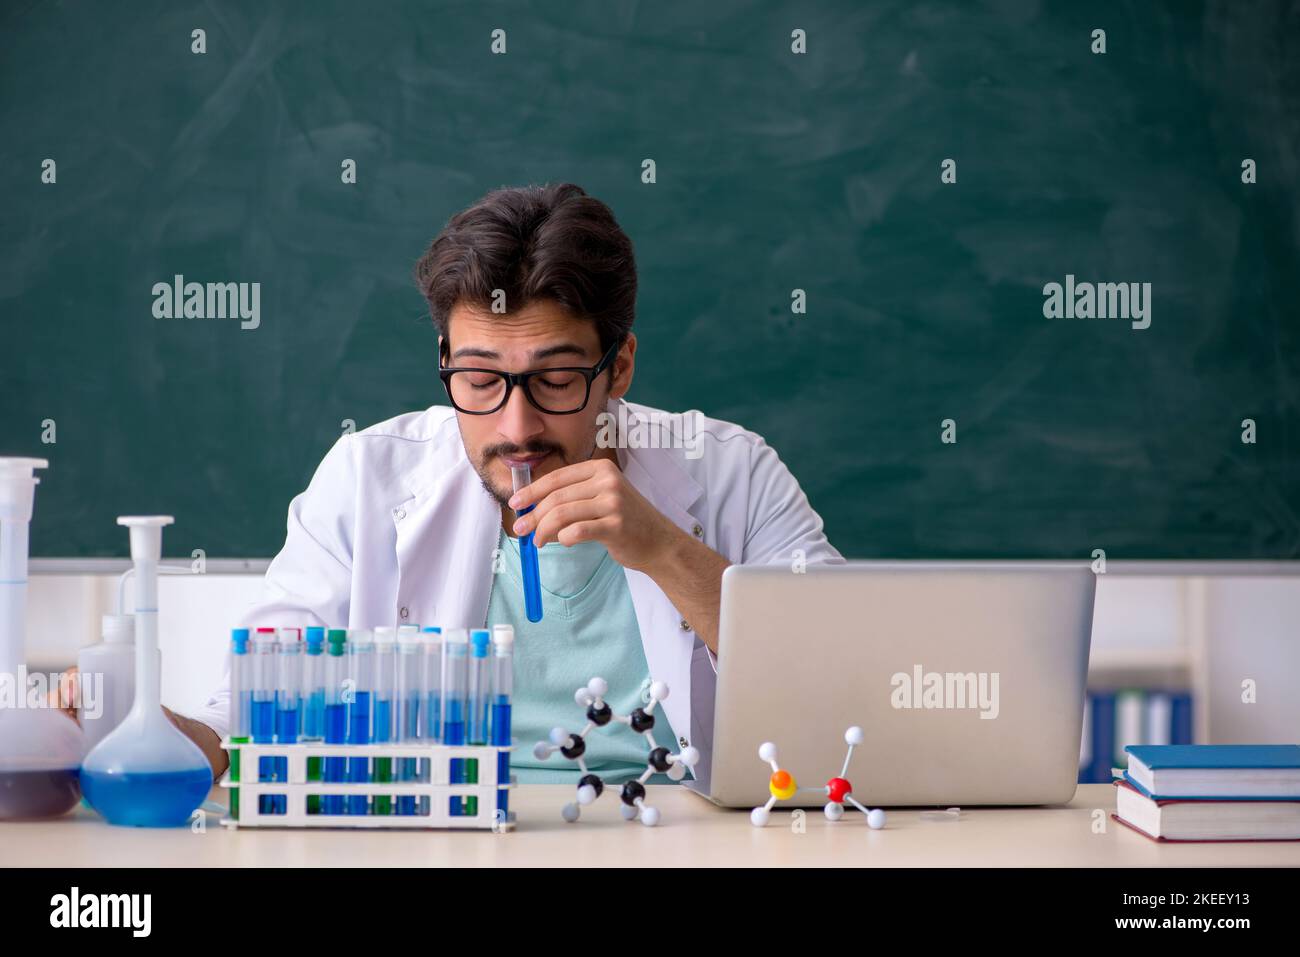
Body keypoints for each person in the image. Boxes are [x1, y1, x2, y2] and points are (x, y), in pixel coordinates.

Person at [173, 182, 843, 784]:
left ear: (620, 366)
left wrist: (664, 550)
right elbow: (250, 707)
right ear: (444, 362)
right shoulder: (365, 478)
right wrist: (170, 739)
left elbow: (844, 682)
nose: (516, 426)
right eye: (481, 379)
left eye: (555, 379)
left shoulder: (735, 471)